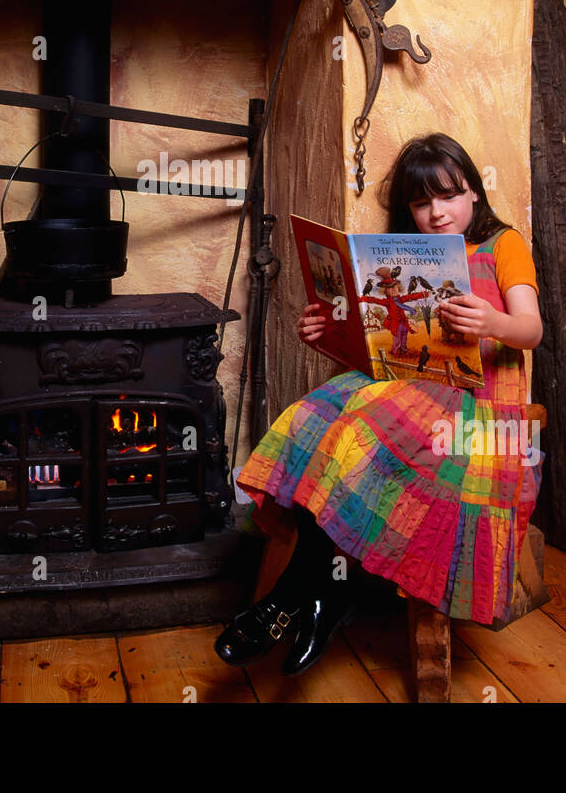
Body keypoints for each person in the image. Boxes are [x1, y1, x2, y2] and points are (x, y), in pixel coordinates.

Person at [215, 132, 543, 676]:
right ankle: (323, 598)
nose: (438, 213)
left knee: (361, 429)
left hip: (477, 401)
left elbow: (531, 330)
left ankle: (291, 600)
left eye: (450, 195)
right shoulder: (400, 258)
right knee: (316, 415)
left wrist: (493, 323)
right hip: (409, 387)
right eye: (421, 203)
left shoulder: (502, 244)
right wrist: (328, 334)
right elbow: (381, 350)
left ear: (475, 194)